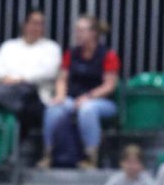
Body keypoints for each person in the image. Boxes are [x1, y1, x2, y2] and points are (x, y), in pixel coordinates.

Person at [40, 15, 120, 168]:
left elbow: (109, 86)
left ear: (93, 33)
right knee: (53, 109)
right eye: (77, 30)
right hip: (73, 99)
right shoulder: (71, 53)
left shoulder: (108, 55)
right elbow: (62, 79)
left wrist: (88, 97)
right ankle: (48, 153)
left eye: (82, 30)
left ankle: (91, 156)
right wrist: (60, 95)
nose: (78, 34)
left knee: (87, 110)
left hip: (101, 101)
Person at [0, 9, 61, 144]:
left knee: (23, 94)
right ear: (25, 25)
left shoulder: (51, 47)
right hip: (8, 91)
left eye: (41, 24)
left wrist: (20, 79)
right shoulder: (9, 46)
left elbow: (49, 71)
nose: (37, 27)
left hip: (37, 97)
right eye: (34, 23)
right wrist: (12, 80)